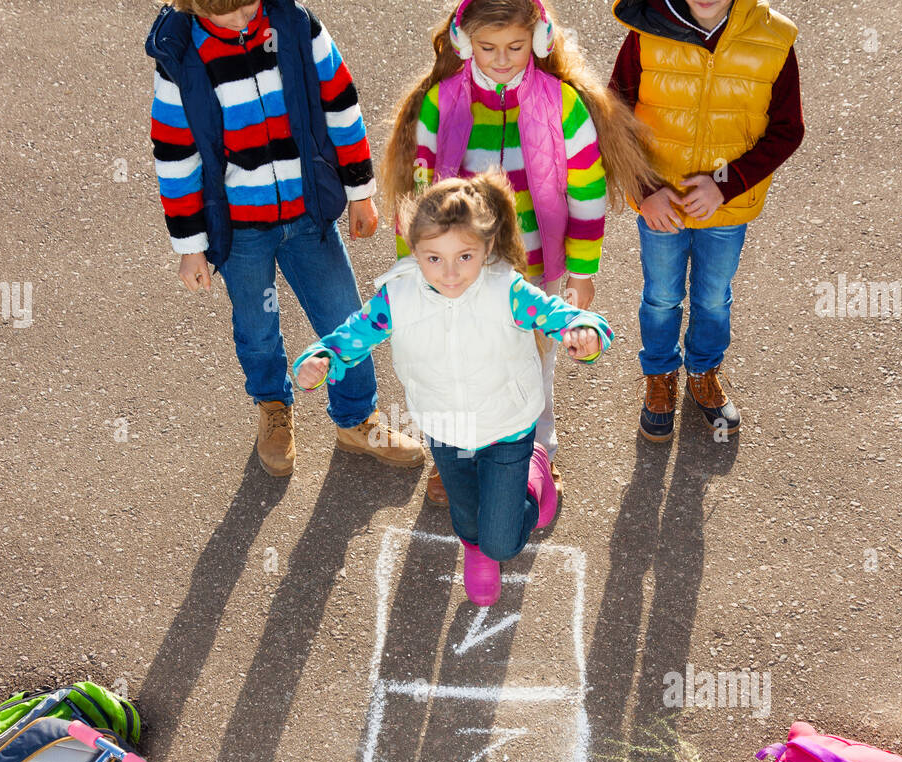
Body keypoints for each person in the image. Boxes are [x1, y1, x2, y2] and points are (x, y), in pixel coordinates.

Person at [292, 173, 614, 606]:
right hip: (444, 426)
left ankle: (534, 480)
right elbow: (352, 337)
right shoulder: (398, 297)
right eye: (434, 258)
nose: (450, 272)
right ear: (415, 249)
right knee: (465, 513)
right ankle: (475, 547)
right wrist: (322, 358)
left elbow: (558, 314)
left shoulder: (508, 290)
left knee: (504, 540)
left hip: (507, 426)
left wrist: (585, 331)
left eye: (465, 256)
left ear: (487, 247)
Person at [382, 0, 655, 503]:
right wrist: (409, 263)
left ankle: (538, 451)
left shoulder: (563, 104)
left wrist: (583, 270)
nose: (501, 59)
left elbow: (588, 192)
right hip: (458, 268)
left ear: (540, 40)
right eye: (487, 48)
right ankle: (455, 453)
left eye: (515, 46)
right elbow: (416, 195)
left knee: (534, 364)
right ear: (464, 43)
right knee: (452, 360)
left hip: (537, 266)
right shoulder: (441, 102)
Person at [146, 0, 425, 476]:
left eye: (246, 7)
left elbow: (341, 107)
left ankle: (357, 417)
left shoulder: (296, 27)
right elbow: (176, 156)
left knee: (344, 316)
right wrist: (189, 246)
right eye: (223, 16)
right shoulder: (180, 56)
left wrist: (360, 193)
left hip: (307, 215)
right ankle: (273, 407)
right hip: (240, 230)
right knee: (257, 330)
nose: (240, 23)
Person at [609, 0, 805, 441]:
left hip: (727, 206)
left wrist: (726, 182)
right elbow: (614, 113)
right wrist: (644, 189)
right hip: (660, 202)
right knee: (661, 296)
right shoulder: (647, 28)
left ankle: (704, 371)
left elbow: (787, 129)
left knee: (713, 296)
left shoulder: (774, 37)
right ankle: (660, 376)